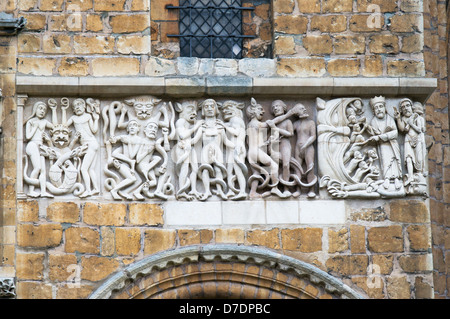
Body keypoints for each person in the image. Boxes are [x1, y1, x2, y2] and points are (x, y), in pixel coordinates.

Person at [65, 98, 100, 197]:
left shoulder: (88, 116)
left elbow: (94, 130)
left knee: (84, 169)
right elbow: (64, 125)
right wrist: (63, 110)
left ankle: (88, 190)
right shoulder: (73, 118)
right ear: (73, 110)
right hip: (86, 145)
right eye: (75, 106)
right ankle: (96, 189)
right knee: (91, 169)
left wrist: (96, 119)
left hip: (91, 143)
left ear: (84, 107)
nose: (78, 107)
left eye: (80, 105)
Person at [367, 96, 402, 190]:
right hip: (382, 145)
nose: (379, 110)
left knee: (394, 160)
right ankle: (386, 178)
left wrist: (381, 136)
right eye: (376, 108)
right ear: (373, 111)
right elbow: (374, 133)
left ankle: (396, 179)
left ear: (384, 108)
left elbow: (395, 133)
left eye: (380, 107)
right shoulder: (373, 121)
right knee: (385, 160)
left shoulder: (389, 118)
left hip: (392, 144)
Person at [24, 101, 54, 198]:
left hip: (41, 147)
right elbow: (28, 136)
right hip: (32, 145)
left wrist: (53, 110)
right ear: (35, 109)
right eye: (40, 108)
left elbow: (55, 125)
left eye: (44, 110)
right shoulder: (31, 121)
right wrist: (35, 127)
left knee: (43, 171)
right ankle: (31, 190)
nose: (42, 111)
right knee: (38, 168)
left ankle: (43, 191)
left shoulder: (44, 121)